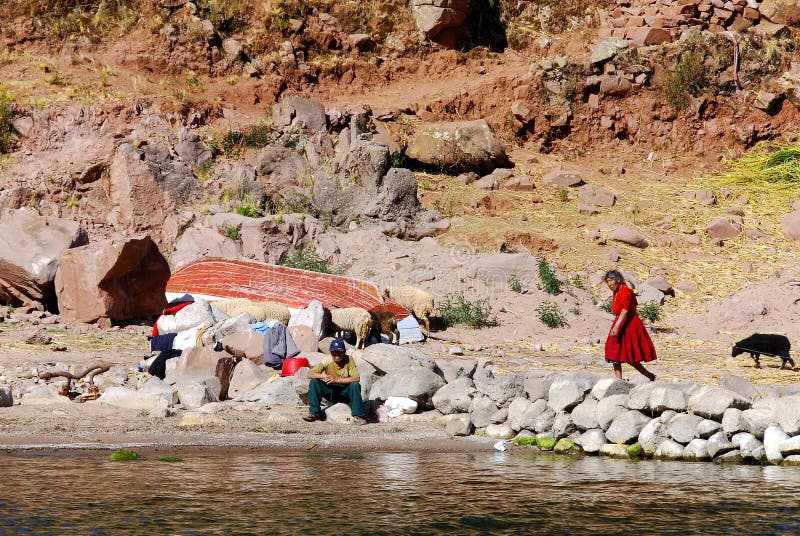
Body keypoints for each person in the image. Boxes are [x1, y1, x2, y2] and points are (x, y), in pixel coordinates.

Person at [604, 270, 657, 381]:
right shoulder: (617, 291)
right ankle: (618, 381)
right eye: (607, 282)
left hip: (629, 324)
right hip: (620, 321)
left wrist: (616, 326)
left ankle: (649, 376)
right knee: (614, 353)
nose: (609, 284)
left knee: (630, 356)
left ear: (618, 280)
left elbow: (625, 310)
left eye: (610, 281)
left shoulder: (625, 291)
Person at [303, 338, 367, 425]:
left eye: (339, 352)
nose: (337, 354)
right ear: (330, 352)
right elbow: (310, 374)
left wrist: (337, 379)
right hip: (331, 392)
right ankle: (314, 413)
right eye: (334, 352)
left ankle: (358, 416)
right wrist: (324, 376)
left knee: (355, 385)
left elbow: (356, 378)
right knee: (314, 382)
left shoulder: (349, 360)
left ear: (344, 352)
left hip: (345, 392)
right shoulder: (327, 360)